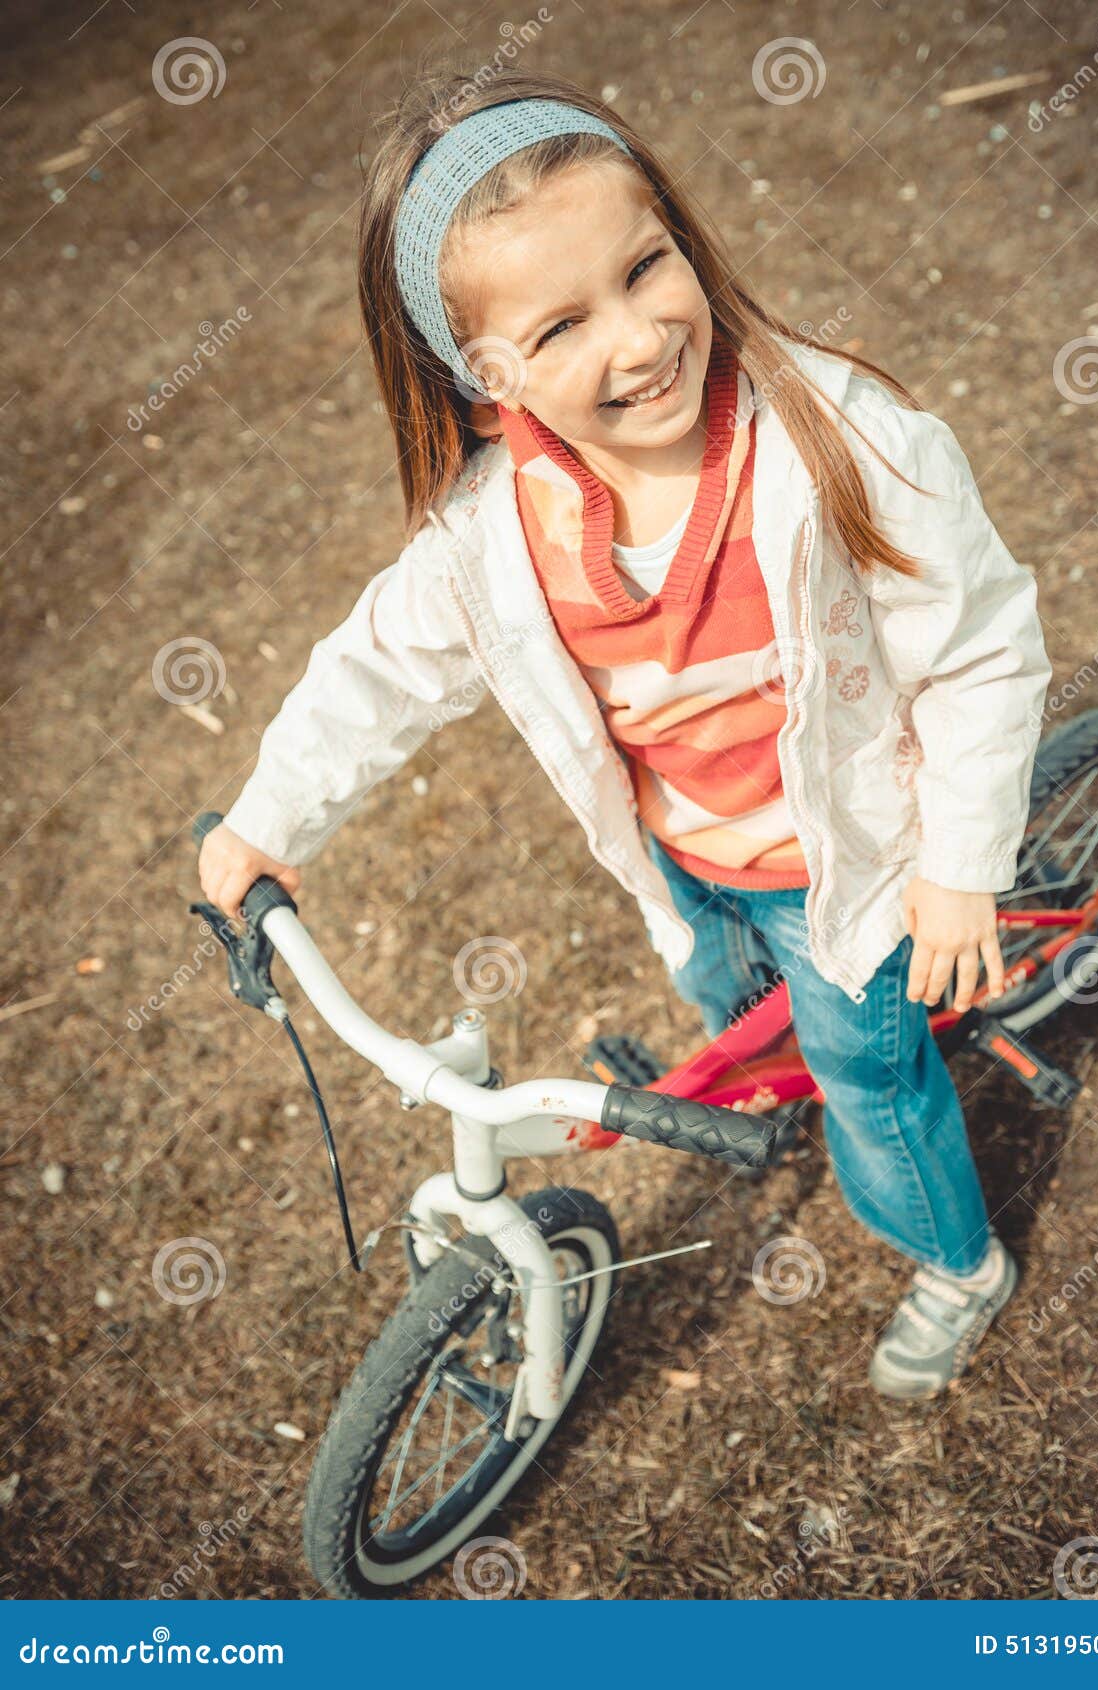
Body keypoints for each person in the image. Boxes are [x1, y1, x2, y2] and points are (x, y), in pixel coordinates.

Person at [197, 66, 1052, 1401]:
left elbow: (982, 647)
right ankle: (784, 1056)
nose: (640, 338)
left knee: (868, 1078)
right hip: (687, 863)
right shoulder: (496, 534)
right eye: (561, 327)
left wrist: (958, 865)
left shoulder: (834, 446)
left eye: (646, 268)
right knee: (733, 1013)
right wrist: (267, 819)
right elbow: (377, 670)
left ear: (682, 238)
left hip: (853, 868)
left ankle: (957, 1260)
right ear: (486, 382)